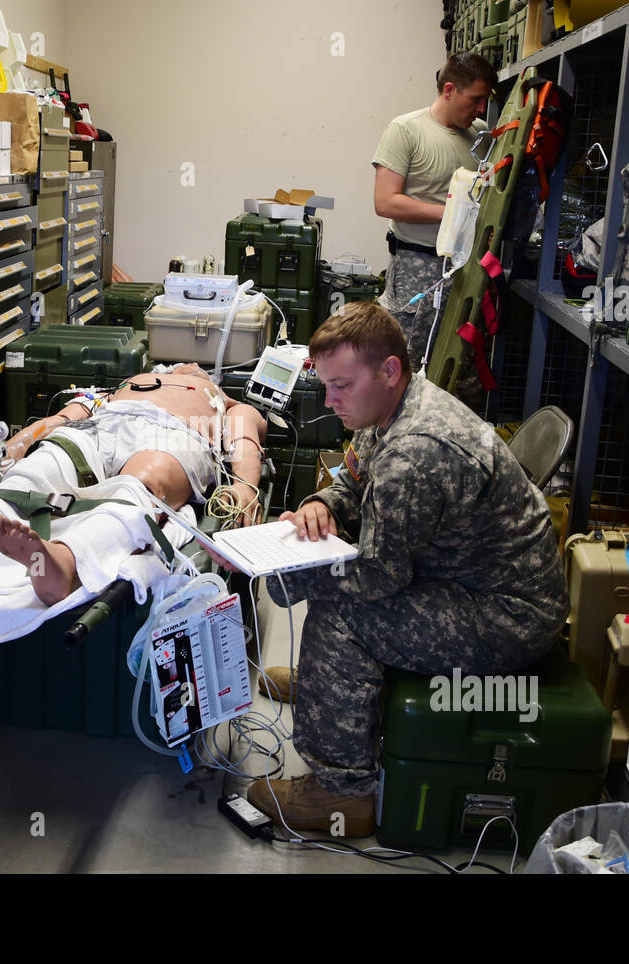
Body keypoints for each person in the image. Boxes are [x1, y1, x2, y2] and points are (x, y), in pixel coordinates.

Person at [245, 303, 568, 837]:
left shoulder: (416, 452)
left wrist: (288, 573)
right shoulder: (393, 408)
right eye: (325, 385)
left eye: (341, 386)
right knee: (337, 584)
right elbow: (352, 479)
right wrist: (322, 503)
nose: (330, 401)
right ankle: (336, 686)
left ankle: (340, 793)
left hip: (509, 617)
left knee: (342, 607)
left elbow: (378, 577)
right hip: (469, 582)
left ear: (389, 370)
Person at [0, 364, 267, 606]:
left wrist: (246, 487)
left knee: (139, 486)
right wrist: (17, 446)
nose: (188, 366)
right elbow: (65, 416)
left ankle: (61, 561)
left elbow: (245, 438)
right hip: (101, 426)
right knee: (33, 476)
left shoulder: (221, 399)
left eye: (196, 368)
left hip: (173, 435)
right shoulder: (126, 385)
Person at [373, 51, 497, 412]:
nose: (480, 109)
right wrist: (452, 214)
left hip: (468, 270)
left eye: (485, 101)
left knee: (462, 373)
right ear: (449, 89)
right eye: (475, 99)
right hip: (417, 268)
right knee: (403, 369)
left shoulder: (482, 139)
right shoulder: (406, 130)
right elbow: (386, 202)